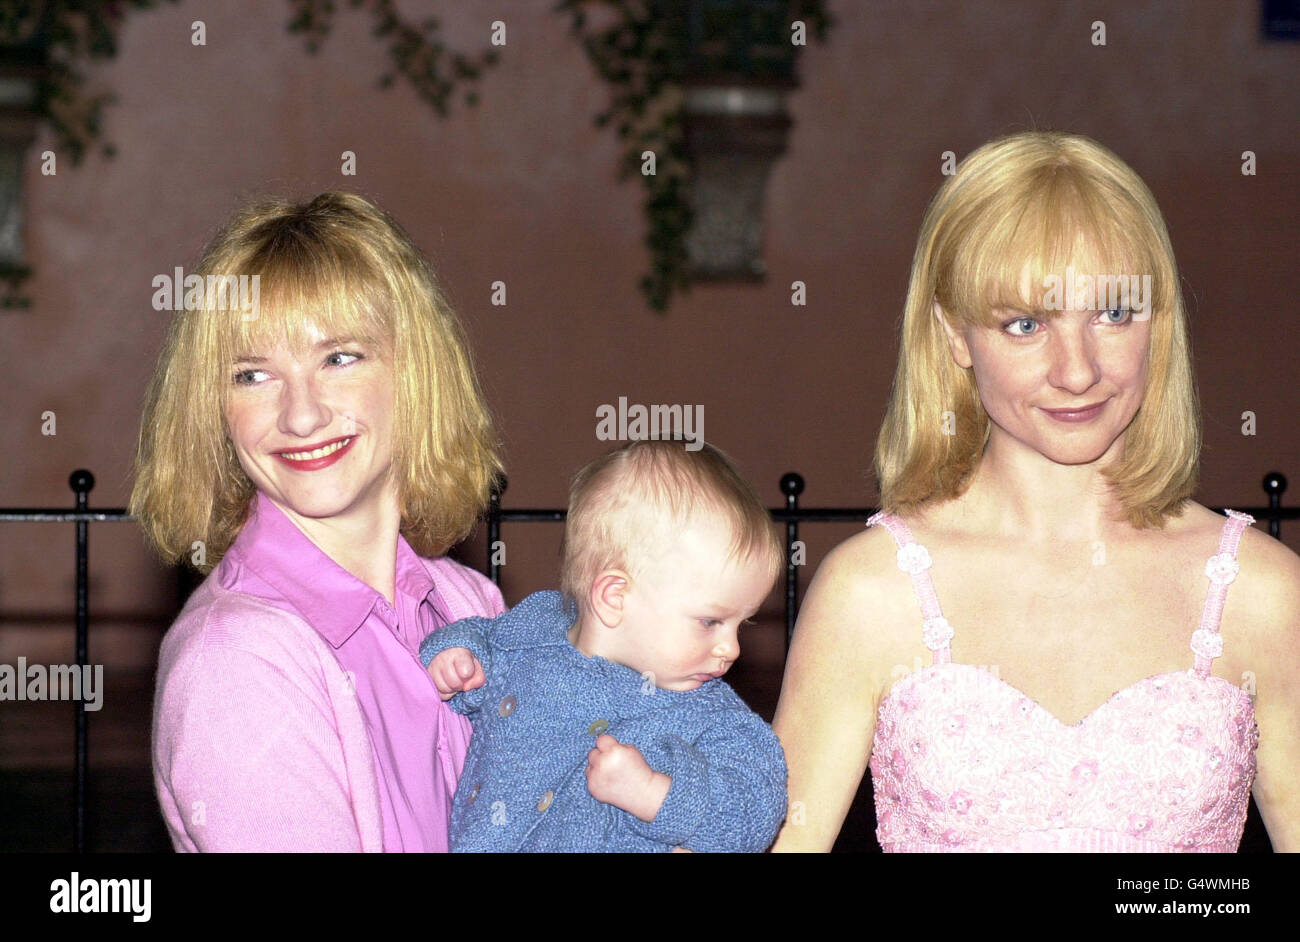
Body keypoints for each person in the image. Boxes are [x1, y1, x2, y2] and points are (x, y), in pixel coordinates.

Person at [770, 131, 1300, 852]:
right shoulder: (870, 592)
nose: (1077, 371)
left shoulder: (1262, 591)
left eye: (1114, 315)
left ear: (1159, 323)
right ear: (955, 335)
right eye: (1025, 325)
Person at [133, 192, 505, 851]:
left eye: (339, 358)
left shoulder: (467, 602)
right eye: (252, 374)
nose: (300, 416)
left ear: (413, 371)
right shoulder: (235, 663)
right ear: (215, 410)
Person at [419, 440, 788, 851]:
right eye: (710, 622)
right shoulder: (535, 636)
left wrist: (654, 795)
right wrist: (455, 656)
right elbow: (483, 641)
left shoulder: (711, 716)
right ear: (615, 598)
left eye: (742, 623)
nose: (731, 648)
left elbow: (756, 810)